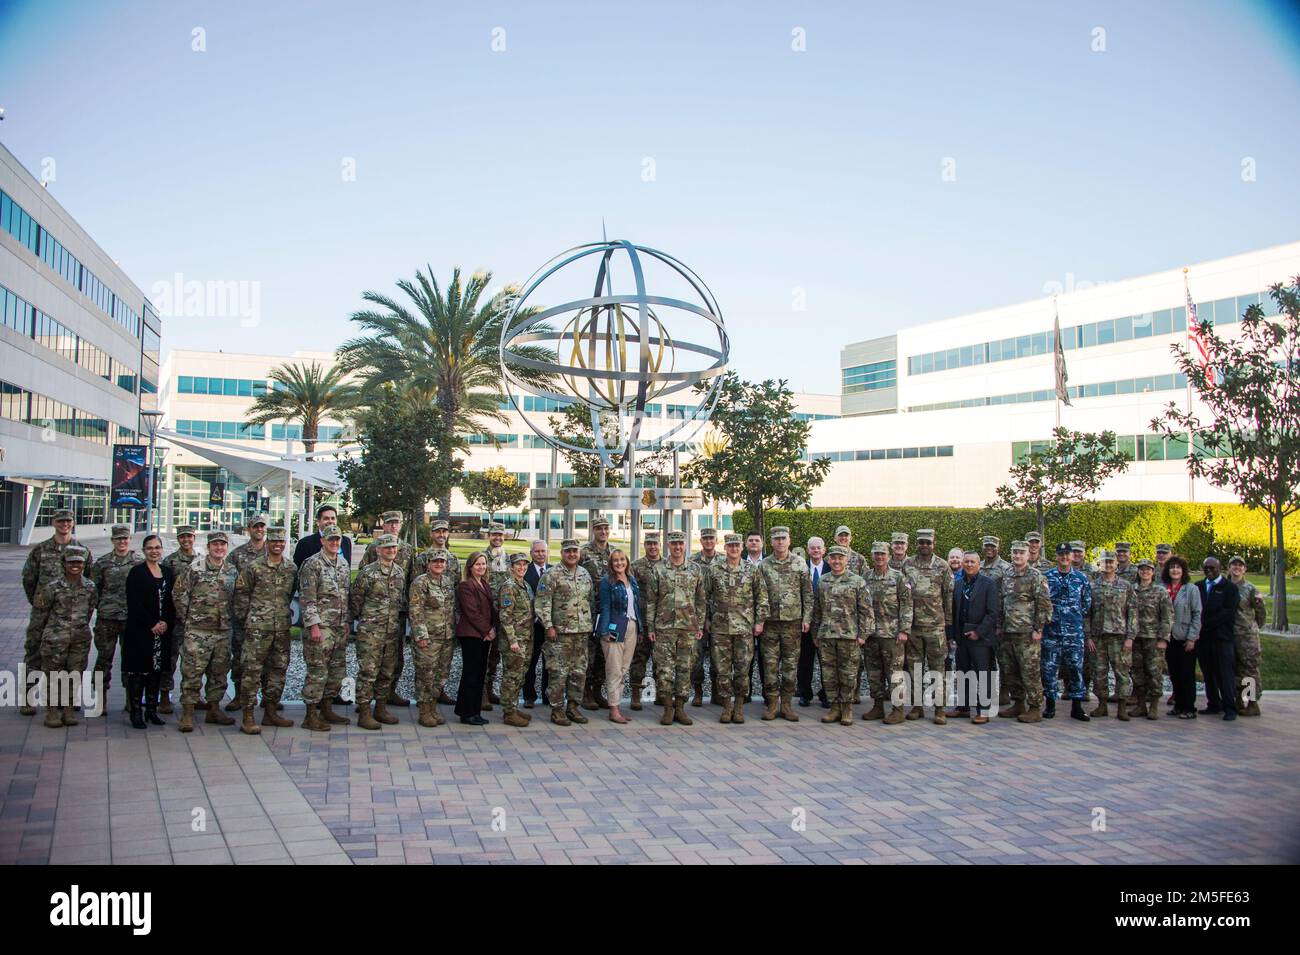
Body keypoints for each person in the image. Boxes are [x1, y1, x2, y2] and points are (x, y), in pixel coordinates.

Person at [21, 509, 91, 717]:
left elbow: (89, 581)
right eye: (61, 521)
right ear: (53, 522)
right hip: (43, 613)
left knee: (72, 657)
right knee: (34, 651)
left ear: (73, 522)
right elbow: (28, 579)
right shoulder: (41, 550)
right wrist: (38, 602)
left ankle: (68, 700)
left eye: (68, 521)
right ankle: (28, 698)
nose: (65, 524)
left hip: (71, 614)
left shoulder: (82, 550)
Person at [231, 526, 297, 732]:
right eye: (274, 542)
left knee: (278, 670)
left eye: (281, 542)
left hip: (281, 629)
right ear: (267, 543)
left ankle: (270, 712)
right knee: (252, 670)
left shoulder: (290, 568)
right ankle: (248, 716)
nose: (278, 545)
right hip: (258, 628)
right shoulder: (254, 567)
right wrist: (247, 620)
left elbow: (291, 594)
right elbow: (241, 595)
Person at [173, 531, 239, 731]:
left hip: (222, 631)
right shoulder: (195, 568)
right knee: (192, 672)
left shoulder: (231, 571)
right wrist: (189, 618)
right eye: (215, 545)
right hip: (198, 631)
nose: (219, 548)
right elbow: (179, 593)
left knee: (219, 673)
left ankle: (214, 709)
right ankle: (188, 713)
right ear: (208, 546)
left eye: (223, 545)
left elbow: (238, 597)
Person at [646, 531, 708, 726]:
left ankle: (680, 707)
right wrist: (650, 626)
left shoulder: (695, 569)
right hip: (664, 628)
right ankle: (667, 708)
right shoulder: (658, 569)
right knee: (664, 670)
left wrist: (699, 623)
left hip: (688, 628)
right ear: (668, 546)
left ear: (685, 545)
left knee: (685, 669)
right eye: (674, 544)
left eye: (680, 543)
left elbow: (701, 600)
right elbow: (651, 600)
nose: (677, 547)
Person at [706, 534, 768, 724]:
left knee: (742, 670)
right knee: (722, 671)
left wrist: (760, 622)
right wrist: (706, 619)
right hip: (720, 629)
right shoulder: (714, 569)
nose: (733, 549)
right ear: (725, 547)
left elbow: (762, 597)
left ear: (742, 548)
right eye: (730, 546)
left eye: (737, 546)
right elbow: (705, 596)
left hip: (744, 629)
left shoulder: (751, 570)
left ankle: (739, 706)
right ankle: (726, 706)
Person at [360, 510, 418, 708]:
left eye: (397, 523)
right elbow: (362, 580)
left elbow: (413, 582)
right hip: (374, 615)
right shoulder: (373, 548)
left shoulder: (409, 550)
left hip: (397, 613)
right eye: (390, 523)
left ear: (401, 525)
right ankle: (366, 701)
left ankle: (389, 692)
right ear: (383, 525)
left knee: (395, 657)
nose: (393, 526)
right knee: (371, 659)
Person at [297, 527, 353, 732]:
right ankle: (310, 714)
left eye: (337, 540)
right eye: (331, 539)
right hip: (321, 627)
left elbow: (345, 595)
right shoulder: (312, 564)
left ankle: (327, 709)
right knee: (317, 671)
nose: (335, 543)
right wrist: (313, 626)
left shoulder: (343, 564)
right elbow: (307, 598)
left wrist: (346, 621)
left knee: (337, 670)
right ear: (323, 541)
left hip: (338, 626)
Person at [350, 533, 406, 731]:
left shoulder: (399, 573)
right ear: (378, 550)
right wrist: (365, 621)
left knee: (386, 671)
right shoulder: (368, 573)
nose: (391, 551)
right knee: (368, 671)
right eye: (387, 547)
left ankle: (380, 708)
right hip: (371, 632)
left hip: (391, 632)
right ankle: (364, 711)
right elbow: (356, 600)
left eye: (394, 548)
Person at [811, 545, 874, 725]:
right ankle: (834, 707)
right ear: (828, 559)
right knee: (829, 675)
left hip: (849, 636)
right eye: (833, 558)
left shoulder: (857, 581)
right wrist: (816, 633)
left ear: (846, 560)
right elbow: (817, 610)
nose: (837, 561)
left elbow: (866, 611)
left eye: (840, 558)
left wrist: (863, 635)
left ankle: (847, 709)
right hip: (827, 636)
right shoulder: (823, 581)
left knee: (848, 674)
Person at [536, 539, 595, 725]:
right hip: (559, 633)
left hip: (581, 633)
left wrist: (589, 625)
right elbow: (542, 603)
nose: (571, 554)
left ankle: (573, 707)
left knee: (579, 672)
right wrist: (549, 626)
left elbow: (590, 601)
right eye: (568, 551)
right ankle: (557, 709)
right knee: (558, 673)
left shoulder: (585, 574)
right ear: (561, 553)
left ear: (579, 553)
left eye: (575, 551)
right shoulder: (551, 574)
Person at [757, 526, 812, 722]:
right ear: (771, 542)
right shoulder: (763, 565)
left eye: (783, 538)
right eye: (776, 539)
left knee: (790, 665)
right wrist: (760, 620)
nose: (780, 542)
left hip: (792, 623)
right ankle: (772, 704)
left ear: (789, 540)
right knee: (770, 665)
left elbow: (807, 593)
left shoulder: (800, 564)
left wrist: (807, 618)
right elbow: (759, 595)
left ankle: (787, 704)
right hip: (770, 624)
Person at [121, 535, 174, 729]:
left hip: (162, 632)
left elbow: (171, 601)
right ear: (144, 551)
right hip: (141, 631)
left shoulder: (167, 572)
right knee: (139, 672)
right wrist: (152, 624)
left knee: (156, 671)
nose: (154, 551)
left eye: (158, 547)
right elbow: (134, 602)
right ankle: (136, 712)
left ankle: (152, 709)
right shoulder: (137, 572)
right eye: (150, 548)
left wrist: (165, 622)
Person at [996, 541, 1052, 723]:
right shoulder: (1006, 574)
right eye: (1015, 552)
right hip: (1007, 632)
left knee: (1030, 671)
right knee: (1010, 670)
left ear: (1028, 555)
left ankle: (1035, 707)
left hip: (1028, 633)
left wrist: (1039, 628)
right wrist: (999, 626)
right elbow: (1000, 602)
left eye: (1021, 553)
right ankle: (1018, 703)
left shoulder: (1035, 576)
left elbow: (1044, 604)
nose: (1017, 556)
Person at [902, 529, 953, 723]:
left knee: (937, 669)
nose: (925, 546)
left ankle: (939, 708)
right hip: (914, 627)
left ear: (934, 543)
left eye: (928, 543)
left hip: (935, 627)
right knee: (914, 668)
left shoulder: (942, 566)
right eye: (921, 542)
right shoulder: (908, 564)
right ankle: (917, 706)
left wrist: (948, 624)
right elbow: (903, 595)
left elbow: (948, 596)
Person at [90, 525, 141, 710]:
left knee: (130, 660)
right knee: (104, 659)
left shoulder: (138, 562)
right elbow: (92, 590)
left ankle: (130, 698)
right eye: (118, 539)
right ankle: (100, 698)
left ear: (130, 539)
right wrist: (102, 607)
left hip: (130, 619)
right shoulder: (102, 563)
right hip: (107, 619)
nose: (122, 542)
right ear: (112, 540)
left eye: (125, 538)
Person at [861, 542, 912, 724]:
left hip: (892, 635)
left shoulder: (898, 577)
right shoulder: (865, 577)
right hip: (871, 634)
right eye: (876, 554)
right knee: (874, 673)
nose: (879, 557)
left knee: (895, 674)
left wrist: (904, 630)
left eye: (882, 554)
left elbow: (907, 605)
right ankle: (878, 706)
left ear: (888, 556)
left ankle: (897, 710)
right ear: (872, 555)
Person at [948, 552, 1000, 723]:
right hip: (962, 635)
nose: (969, 564)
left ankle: (983, 710)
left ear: (979, 564)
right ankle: (963, 707)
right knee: (963, 671)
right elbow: (954, 611)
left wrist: (978, 632)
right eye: (967, 561)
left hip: (981, 636)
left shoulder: (988, 584)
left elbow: (993, 613)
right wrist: (953, 635)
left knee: (983, 673)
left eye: (973, 562)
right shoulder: (958, 584)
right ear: (962, 564)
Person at [1043, 542, 1092, 720]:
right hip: (1051, 632)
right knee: (1049, 669)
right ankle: (1050, 705)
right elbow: (1042, 603)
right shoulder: (1046, 577)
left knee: (1075, 669)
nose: (1064, 557)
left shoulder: (1081, 578)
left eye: (1067, 554)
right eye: (1061, 554)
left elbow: (1086, 605)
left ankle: (1077, 707)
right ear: (1056, 556)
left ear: (1072, 556)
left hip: (1074, 633)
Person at [408, 550, 457, 727]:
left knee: (441, 675)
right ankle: (424, 710)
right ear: (428, 563)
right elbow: (415, 610)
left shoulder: (447, 582)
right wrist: (421, 635)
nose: (439, 564)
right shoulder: (420, 583)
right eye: (435, 561)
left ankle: (433, 707)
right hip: (428, 638)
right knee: (425, 675)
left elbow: (452, 609)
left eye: (442, 562)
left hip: (446, 637)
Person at [224, 515, 268, 711]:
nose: (259, 530)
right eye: (255, 527)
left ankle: (268, 697)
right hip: (243, 616)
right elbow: (229, 583)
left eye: (261, 526)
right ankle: (239, 695)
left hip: (268, 615)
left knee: (268, 658)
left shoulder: (274, 551)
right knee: (240, 655)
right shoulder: (236, 555)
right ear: (249, 530)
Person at [595, 549, 641, 724]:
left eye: (622, 559)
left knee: (623, 669)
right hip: (614, 626)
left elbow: (636, 606)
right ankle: (613, 709)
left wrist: (640, 629)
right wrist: (605, 630)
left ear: (627, 561)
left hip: (631, 626)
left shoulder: (632, 580)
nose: (619, 563)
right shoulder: (607, 582)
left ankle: (617, 705)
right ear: (611, 563)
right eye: (615, 560)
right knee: (614, 669)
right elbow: (604, 606)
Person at [1088, 550, 1134, 721]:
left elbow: (1132, 612)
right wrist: (1088, 637)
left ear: (1116, 564)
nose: (1107, 565)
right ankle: (1102, 705)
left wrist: (1131, 637)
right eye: (1104, 562)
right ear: (1100, 564)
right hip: (1098, 637)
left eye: (1110, 562)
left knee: (1122, 672)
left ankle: (1122, 706)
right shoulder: (1093, 586)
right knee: (1099, 672)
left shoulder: (1125, 586)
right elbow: (1087, 613)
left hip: (1119, 636)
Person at [455, 552, 497, 726]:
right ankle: (466, 712)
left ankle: (475, 711)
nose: (481, 567)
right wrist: (487, 630)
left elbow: (490, 609)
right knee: (471, 674)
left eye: (483, 564)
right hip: (471, 635)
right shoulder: (466, 586)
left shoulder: (484, 584)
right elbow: (471, 612)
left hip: (484, 635)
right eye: (477, 564)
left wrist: (493, 628)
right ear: (470, 567)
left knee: (480, 674)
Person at [1129, 559, 1173, 720]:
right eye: (1142, 569)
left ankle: (1153, 705)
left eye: (1148, 570)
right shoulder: (1131, 590)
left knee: (1154, 673)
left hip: (1153, 639)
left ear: (1153, 572)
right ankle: (1141, 705)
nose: (1145, 572)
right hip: (1135, 638)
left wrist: (1163, 638)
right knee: (1137, 672)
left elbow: (1167, 617)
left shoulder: (1160, 592)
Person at [159, 525, 197, 713]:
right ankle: (165, 696)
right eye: (182, 537)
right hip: (175, 619)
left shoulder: (202, 561)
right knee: (170, 658)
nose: (186, 540)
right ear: (178, 539)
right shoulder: (170, 562)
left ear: (194, 538)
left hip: (197, 619)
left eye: (189, 537)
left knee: (194, 661)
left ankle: (194, 697)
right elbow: (165, 591)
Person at [1197, 557, 1240, 720]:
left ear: (1220, 568)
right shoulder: (1199, 586)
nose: (1209, 570)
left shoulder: (1229, 588)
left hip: (1222, 638)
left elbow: (1227, 612)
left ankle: (1230, 708)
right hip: (1203, 638)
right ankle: (1213, 703)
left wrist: (1205, 624)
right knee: (1208, 673)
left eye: (1212, 568)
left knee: (1225, 674)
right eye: (1206, 568)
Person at [497, 553, 536, 727]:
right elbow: (505, 616)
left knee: (520, 675)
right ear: (511, 567)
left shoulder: (525, 585)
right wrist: (512, 640)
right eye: (518, 565)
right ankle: (508, 712)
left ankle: (513, 707)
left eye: (524, 564)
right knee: (511, 676)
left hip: (526, 638)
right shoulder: (509, 586)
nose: (521, 568)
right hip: (514, 641)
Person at [579, 517, 614, 710]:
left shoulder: (614, 552)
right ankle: (586, 692)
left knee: (604, 652)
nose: (603, 532)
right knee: (589, 652)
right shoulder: (584, 552)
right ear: (593, 530)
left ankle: (598, 689)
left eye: (605, 528)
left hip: (608, 611)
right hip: (589, 611)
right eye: (599, 528)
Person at [1162, 555, 1202, 719]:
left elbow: (1197, 614)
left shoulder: (1191, 589)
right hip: (1168, 638)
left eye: (1178, 567)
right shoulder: (1163, 588)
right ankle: (1178, 705)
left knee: (1187, 674)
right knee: (1174, 673)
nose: (1175, 570)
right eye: (1172, 567)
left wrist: (1192, 638)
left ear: (1183, 571)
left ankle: (1189, 707)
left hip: (1185, 637)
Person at [628, 532, 664, 710]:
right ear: (644, 545)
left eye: (655, 543)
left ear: (660, 545)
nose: (652, 547)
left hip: (662, 621)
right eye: (649, 544)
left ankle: (661, 694)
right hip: (642, 620)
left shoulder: (667, 565)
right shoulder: (635, 566)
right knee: (639, 658)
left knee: (661, 659)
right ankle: (636, 694)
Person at [1227, 555, 1266, 716]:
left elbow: (1261, 613)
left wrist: (1252, 627)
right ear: (1228, 567)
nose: (1237, 568)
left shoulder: (1251, 589)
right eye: (1234, 565)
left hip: (1247, 637)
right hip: (1229, 635)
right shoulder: (1225, 586)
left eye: (1240, 566)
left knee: (1249, 670)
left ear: (1245, 569)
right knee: (1233, 669)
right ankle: (1237, 700)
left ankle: (1252, 703)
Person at [689, 527, 724, 706]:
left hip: (720, 619)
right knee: (696, 657)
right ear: (701, 540)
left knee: (718, 658)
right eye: (705, 539)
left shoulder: (724, 561)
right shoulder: (692, 562)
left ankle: (717, 692)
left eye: (711, 538)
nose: (708, 541)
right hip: (698, 618)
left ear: (716, 540)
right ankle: (698, 692)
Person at [797, 537, 830, 708]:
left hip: (826, 623)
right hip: (806, 622)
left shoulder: (831, 568)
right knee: (805, 661)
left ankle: (826, 694)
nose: (816, 551)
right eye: (812, 548)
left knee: (826, 661)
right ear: (807, 550)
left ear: (824, 550)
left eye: (819, 548)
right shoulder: (801, 569)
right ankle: (805, 693)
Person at [522, 539, 551, 708]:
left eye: (543, 551)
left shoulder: (554, 571)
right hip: (531, 626)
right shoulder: (525, 571)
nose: (540, 554)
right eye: (537, 551)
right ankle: (529, 696)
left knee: (549, 663)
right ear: (531, 553)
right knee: (530, 662)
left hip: (548, 626)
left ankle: (547, 695)